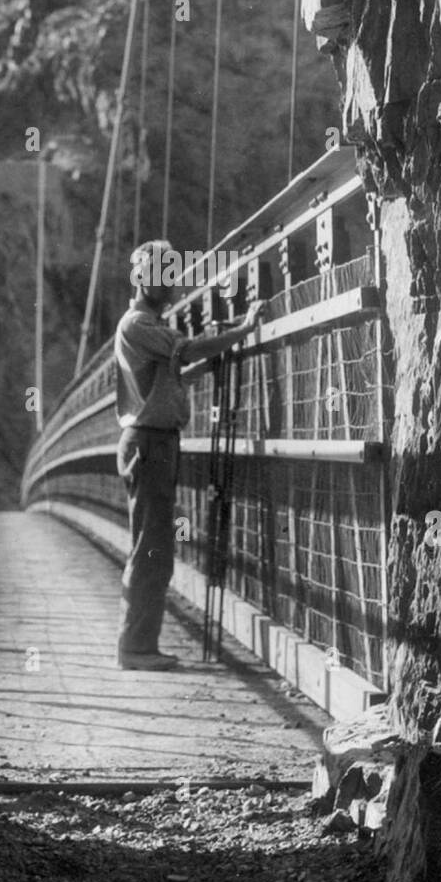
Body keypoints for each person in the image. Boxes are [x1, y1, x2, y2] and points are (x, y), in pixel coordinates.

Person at [113, 239, 264, 670]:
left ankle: (139, 645)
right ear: (143, 279)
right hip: (149, 444)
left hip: (155, 444)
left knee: (154, 544)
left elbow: (187, 344)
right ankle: (136, 649)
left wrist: (232, 328)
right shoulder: (136, 324)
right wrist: (244, 331)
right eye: (163, 274)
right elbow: (191, 350)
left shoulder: (149, 325)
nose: (173, 283)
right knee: (151, 548)